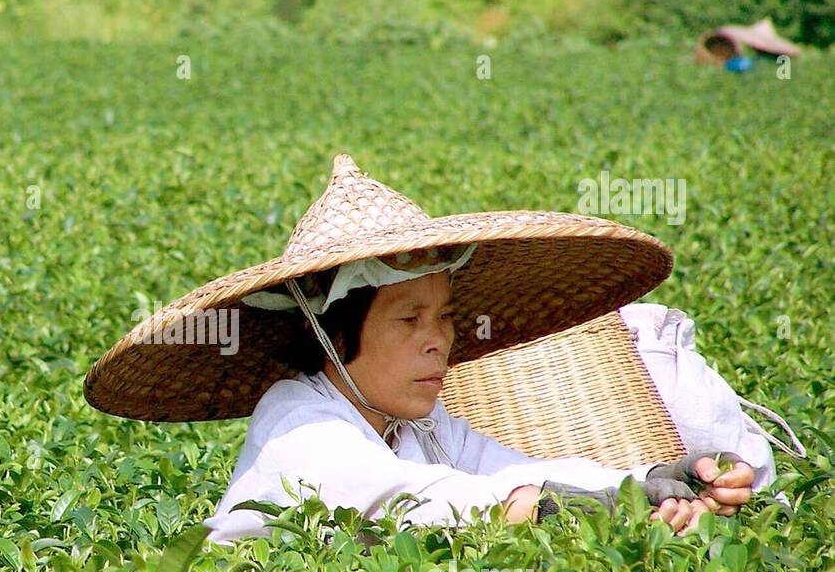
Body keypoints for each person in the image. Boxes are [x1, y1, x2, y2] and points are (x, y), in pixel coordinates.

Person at [84, 155, 757, 543]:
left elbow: (511, 471)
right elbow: (424, 501)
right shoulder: (300, 427)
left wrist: (650, 484)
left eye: (444, 316)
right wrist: (595, 509)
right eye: (409, 319)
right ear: (334, 331)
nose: (439, 340)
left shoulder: (420, 428)